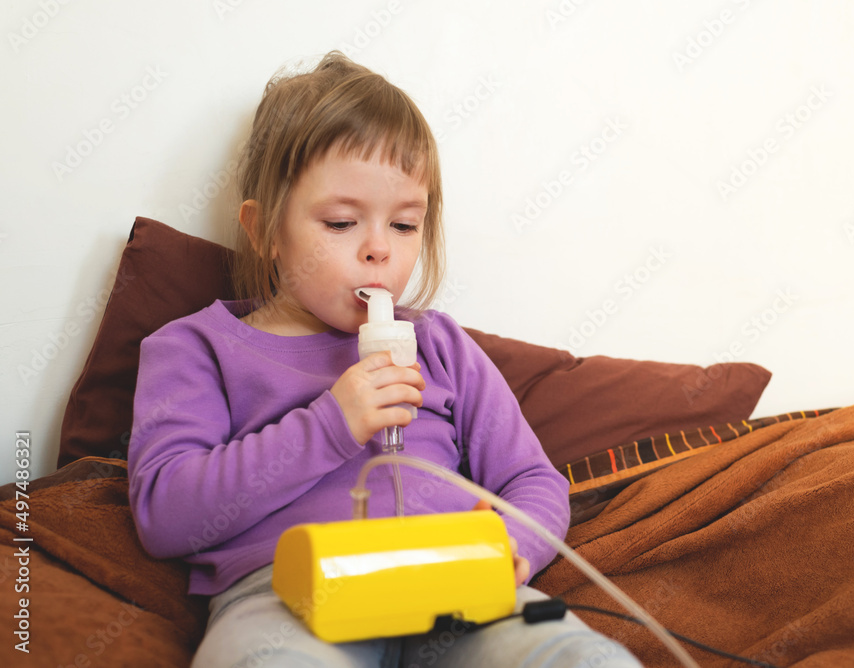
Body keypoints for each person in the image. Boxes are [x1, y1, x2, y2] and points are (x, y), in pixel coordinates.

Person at [127, 51, 642, 668]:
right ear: (263, 231)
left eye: (403, 226)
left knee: (577, 656)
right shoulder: (197, 348)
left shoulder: (442, 346)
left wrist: (511, 548)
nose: (378, 250)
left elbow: (532, 481)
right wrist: (329, 426)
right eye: (342, 222)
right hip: (287, 598)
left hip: (457, 593)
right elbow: (166, 515)